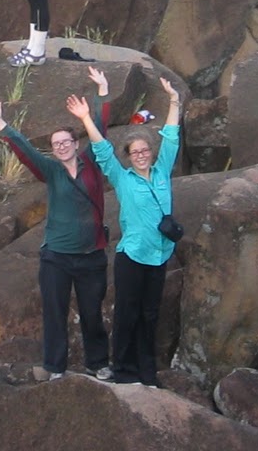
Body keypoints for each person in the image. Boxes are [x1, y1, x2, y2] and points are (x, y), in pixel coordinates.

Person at [0, 67, 113, 382]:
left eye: (66, 141)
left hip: (92, 254)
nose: (62, 146)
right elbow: (24, 151)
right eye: (56, 143)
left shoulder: (92, 164)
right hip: (57, 257)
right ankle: (55, 368)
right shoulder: (50, 170)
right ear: (52, 149)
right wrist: (0, 123)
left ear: (76, 143)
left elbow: (100, 130)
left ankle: (98, 363)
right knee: (55, 314)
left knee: (93, 313)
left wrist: (102, 92)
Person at [66, 76, 181, 387]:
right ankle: (124, 371)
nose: (141, 154)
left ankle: (147, 373)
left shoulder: (161, 171)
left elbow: (171, 137)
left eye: (145, 149)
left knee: (150, 315)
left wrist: (173, 100)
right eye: (135, 151)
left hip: (159, 256)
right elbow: (102, 151)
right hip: (132, 256)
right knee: (127, 315)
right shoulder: (123, 178)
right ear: (128, 157)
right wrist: (86, 118)